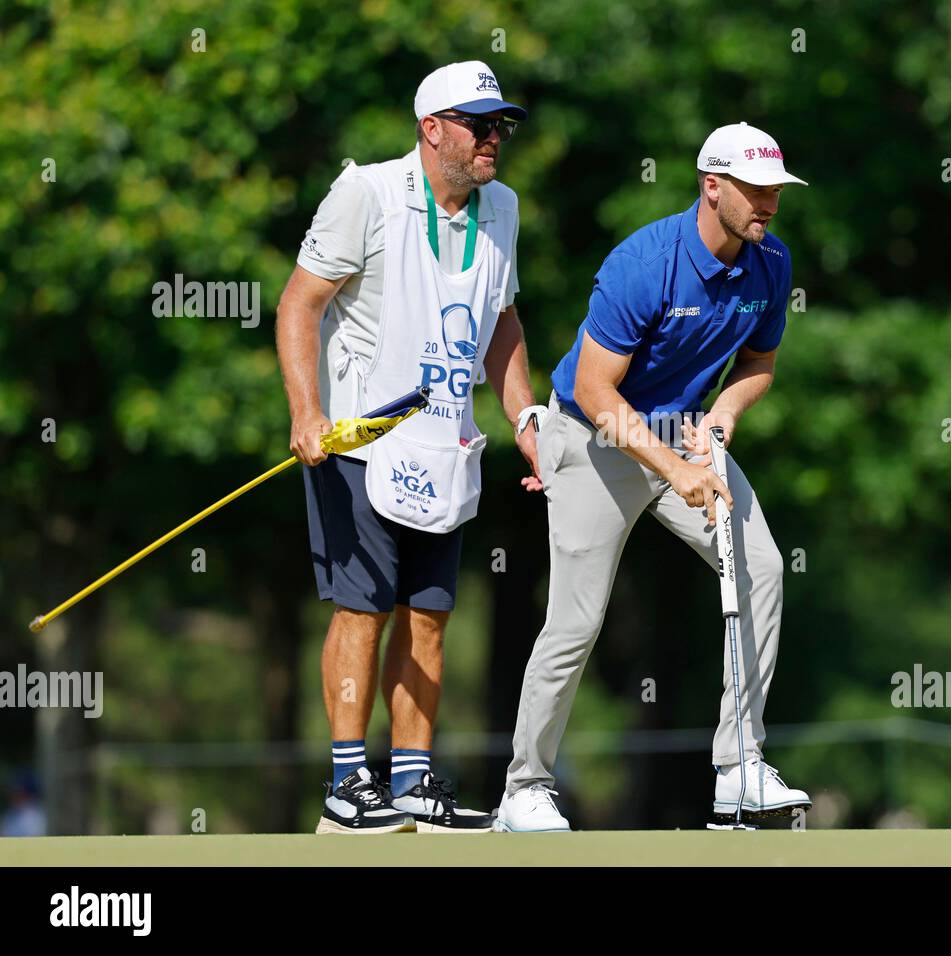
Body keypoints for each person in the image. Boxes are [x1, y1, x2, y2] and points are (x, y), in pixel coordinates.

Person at [494, 123, 811, 831]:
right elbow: (601, 395)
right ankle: (524, 788)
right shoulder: (643, 264)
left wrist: (721, 420)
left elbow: (759, 366)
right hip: (592, 435)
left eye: (776, 192)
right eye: (755, 190)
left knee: (761, 568)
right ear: (712, 187)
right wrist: (674, 467)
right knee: (577, 619)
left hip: (684, 431)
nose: (769, 204)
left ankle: (740, 768)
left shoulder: (772, 262)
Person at [276, 60, 546, 834]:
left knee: (429, 614)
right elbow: (300, 303)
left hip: (447, 445)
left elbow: (502, 323)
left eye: (502, 125)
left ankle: (413, 780)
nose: (496, 137)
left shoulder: (505, 210)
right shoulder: (366, 193)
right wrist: (306, 412)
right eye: (480, 124)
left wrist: (525, 418)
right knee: (363, 612)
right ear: (432, 129)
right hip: (358, 438)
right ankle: (345, 780)